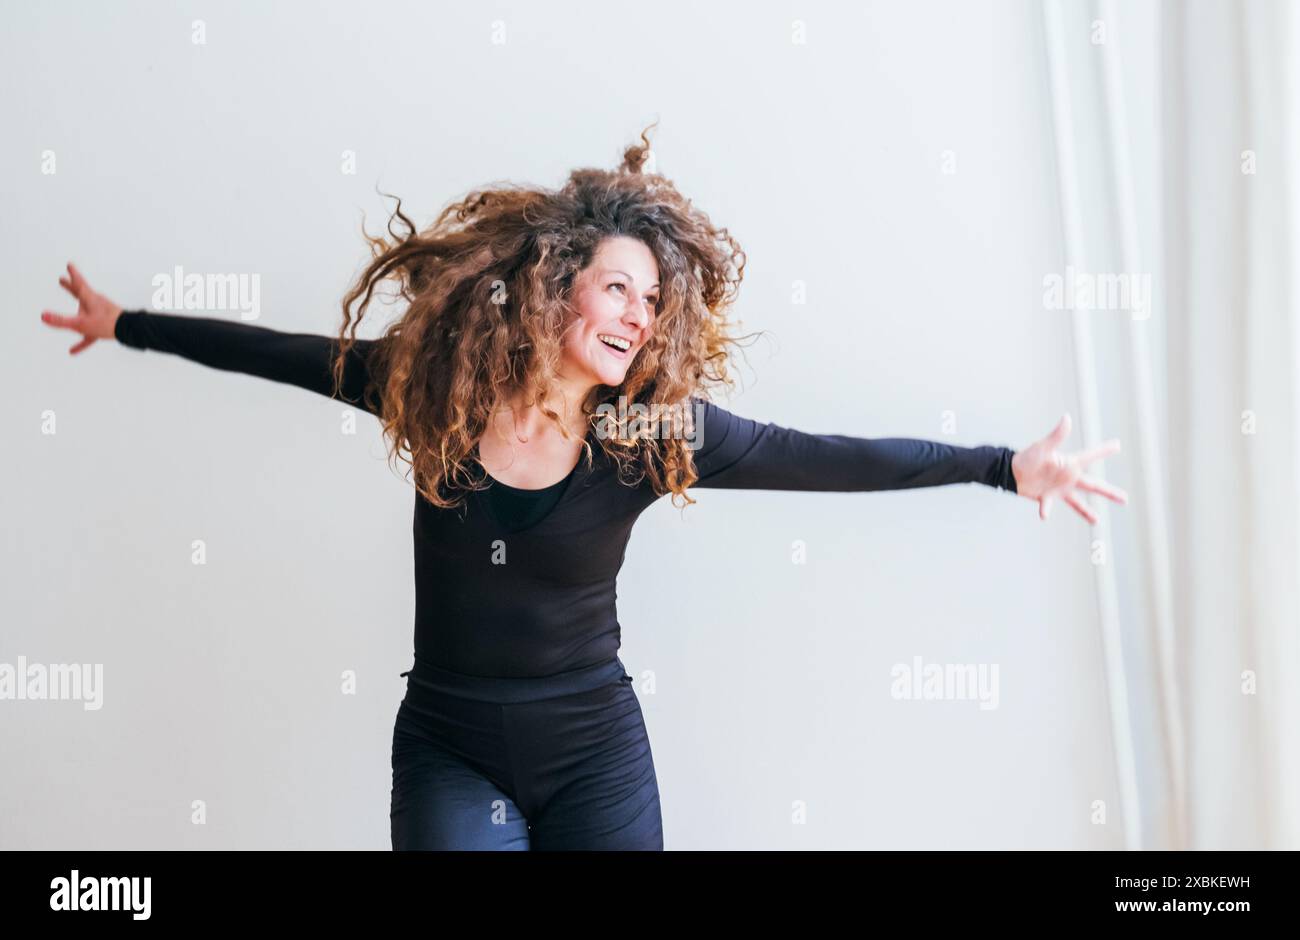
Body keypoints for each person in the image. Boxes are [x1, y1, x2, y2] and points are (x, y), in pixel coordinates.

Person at [40, 129, 1128, 850]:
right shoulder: (430, 390)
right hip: (452, 745)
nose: (638, 315)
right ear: (558, 284)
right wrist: (126, 322)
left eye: (652, 300)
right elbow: (276, 350)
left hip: (593, 749)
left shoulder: (648, 433)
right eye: (619, 285)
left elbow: (825, 454)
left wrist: (999, 466)